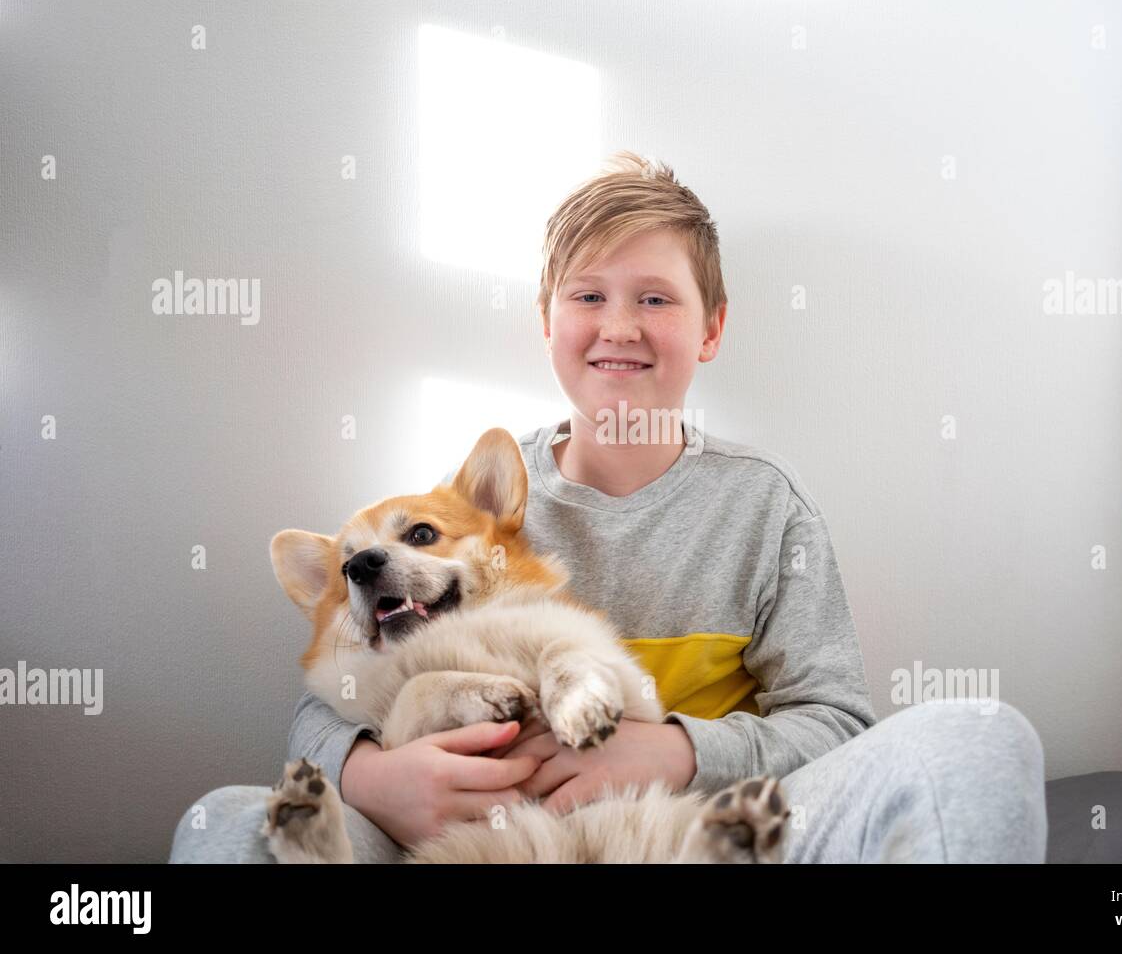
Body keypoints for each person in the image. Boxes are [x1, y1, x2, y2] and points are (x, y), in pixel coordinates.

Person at [169, 152, 1047, 863]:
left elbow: (839, 724)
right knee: (224, 825)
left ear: (711, 328)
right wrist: (369, 779)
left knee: (976, 738)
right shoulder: (457, 517)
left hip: (685, 826)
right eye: (588, 295)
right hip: (491, 835)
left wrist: (678, 750)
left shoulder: (766, 509)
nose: (619, 325)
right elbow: (327, 699)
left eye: (655, 298)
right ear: (546, 320)